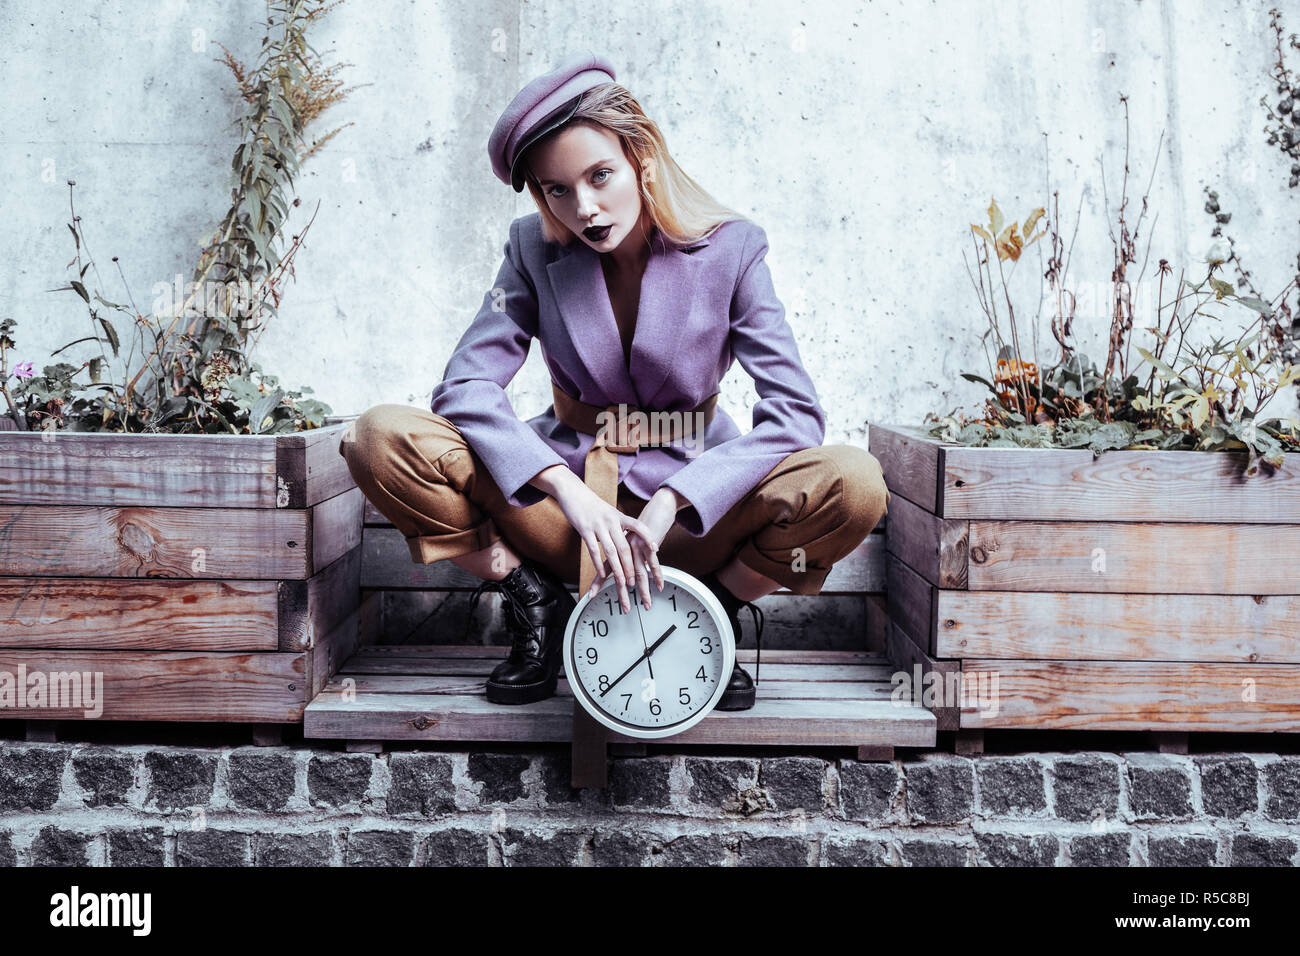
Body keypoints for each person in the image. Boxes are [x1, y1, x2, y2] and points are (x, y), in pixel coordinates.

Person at [339, 52, 890, 711]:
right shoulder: (531, 250)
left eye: (600, 175)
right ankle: (532, 601)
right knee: (379, 436)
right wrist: (564, 489)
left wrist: (675, 500)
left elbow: (795, 414)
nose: (586, 208)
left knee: (855, 484)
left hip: (691, 524)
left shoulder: (735, 249)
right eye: (557, 190)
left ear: (641, 156)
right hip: (560, 521)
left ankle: (706, 613)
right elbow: (465, 389)